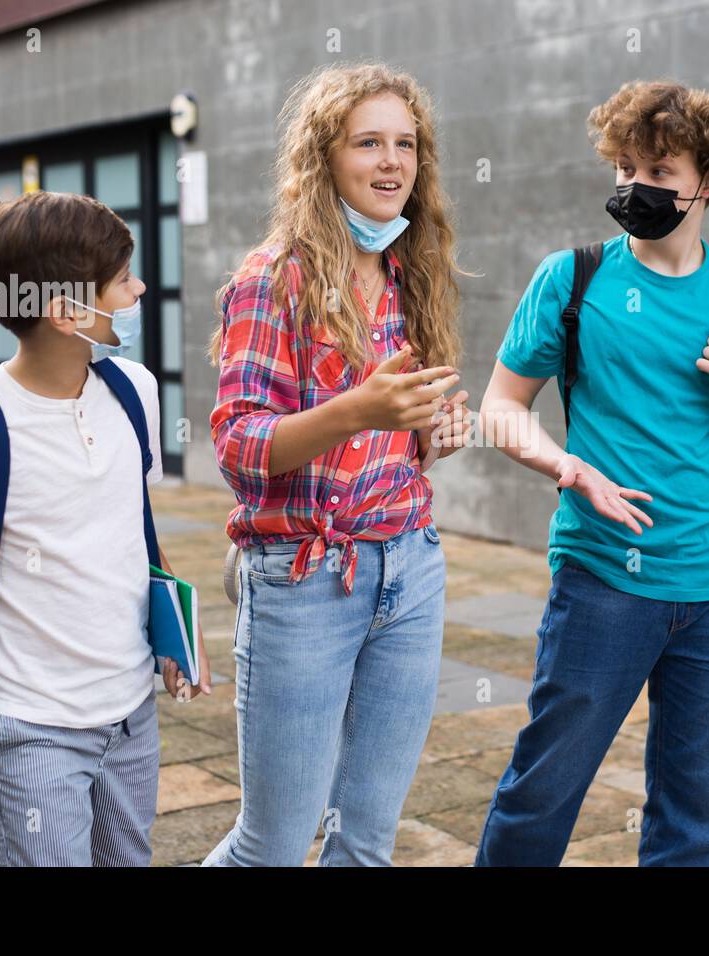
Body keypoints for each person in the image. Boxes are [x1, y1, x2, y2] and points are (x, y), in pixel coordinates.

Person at [475, 80, 709, 866]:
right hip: (602, 580)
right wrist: (567, 466)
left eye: (659, 172)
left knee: (696, 819)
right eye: (625, 168)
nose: (636, 188)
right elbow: (498, 406)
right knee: (542, 792)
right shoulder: (574, 280)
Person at [0, 190, 207, 865]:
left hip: (130, 714)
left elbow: (132, 530)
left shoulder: (133, 391)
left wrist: (169, 630)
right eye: (121, 279)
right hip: (30, 731)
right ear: (64, 312)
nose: (139, 288)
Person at [202, 63, 472, 867]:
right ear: (324, 158)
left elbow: (396, 429)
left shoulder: (406, 273)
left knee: (367, 842)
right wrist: (361, 408)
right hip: (304, 580)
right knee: (275, 847)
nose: (393, 163)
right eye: (368, 143)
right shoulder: (273, 278)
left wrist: (430, 432)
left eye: (406, 145)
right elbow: (240, 448)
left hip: (411, 567)